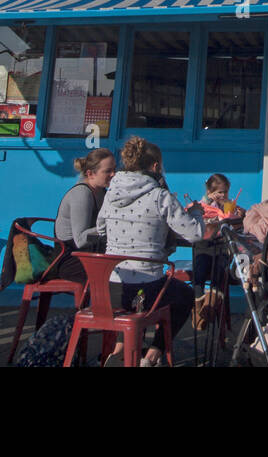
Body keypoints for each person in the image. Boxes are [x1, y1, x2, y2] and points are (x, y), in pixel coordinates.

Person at [98, 136, 206, 366]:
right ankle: (151, 356)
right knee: (184, 295)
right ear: (156, 167)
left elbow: (100, 228)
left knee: (131, 296)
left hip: (109, 288)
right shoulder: (160, 196)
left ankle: (119, 352)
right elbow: (195, 233)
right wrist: (196, 212)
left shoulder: (111, 192)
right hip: (145, 291)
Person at [52, 148, 115, 283]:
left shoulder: (102, 192)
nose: (113, 174)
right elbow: (80, 240)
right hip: (70, 260)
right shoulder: (82, 194)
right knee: (116, 269)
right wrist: (112, 225)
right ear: (90, 173)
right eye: (107, 171)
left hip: (89, 255)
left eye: (114, 169)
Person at [191, 173, 244, 290]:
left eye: (225, 192)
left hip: (222, 247)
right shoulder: (204, 204)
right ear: (210, 192)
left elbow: (236, 226)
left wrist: (239, 215)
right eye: (220, 192)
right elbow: (198, 215)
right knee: (199, 271)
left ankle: (216, 299)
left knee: (219, 271)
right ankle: (198, 299)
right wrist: (209, 199)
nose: (223, 195)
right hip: (204, 245)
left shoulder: (229, 204)